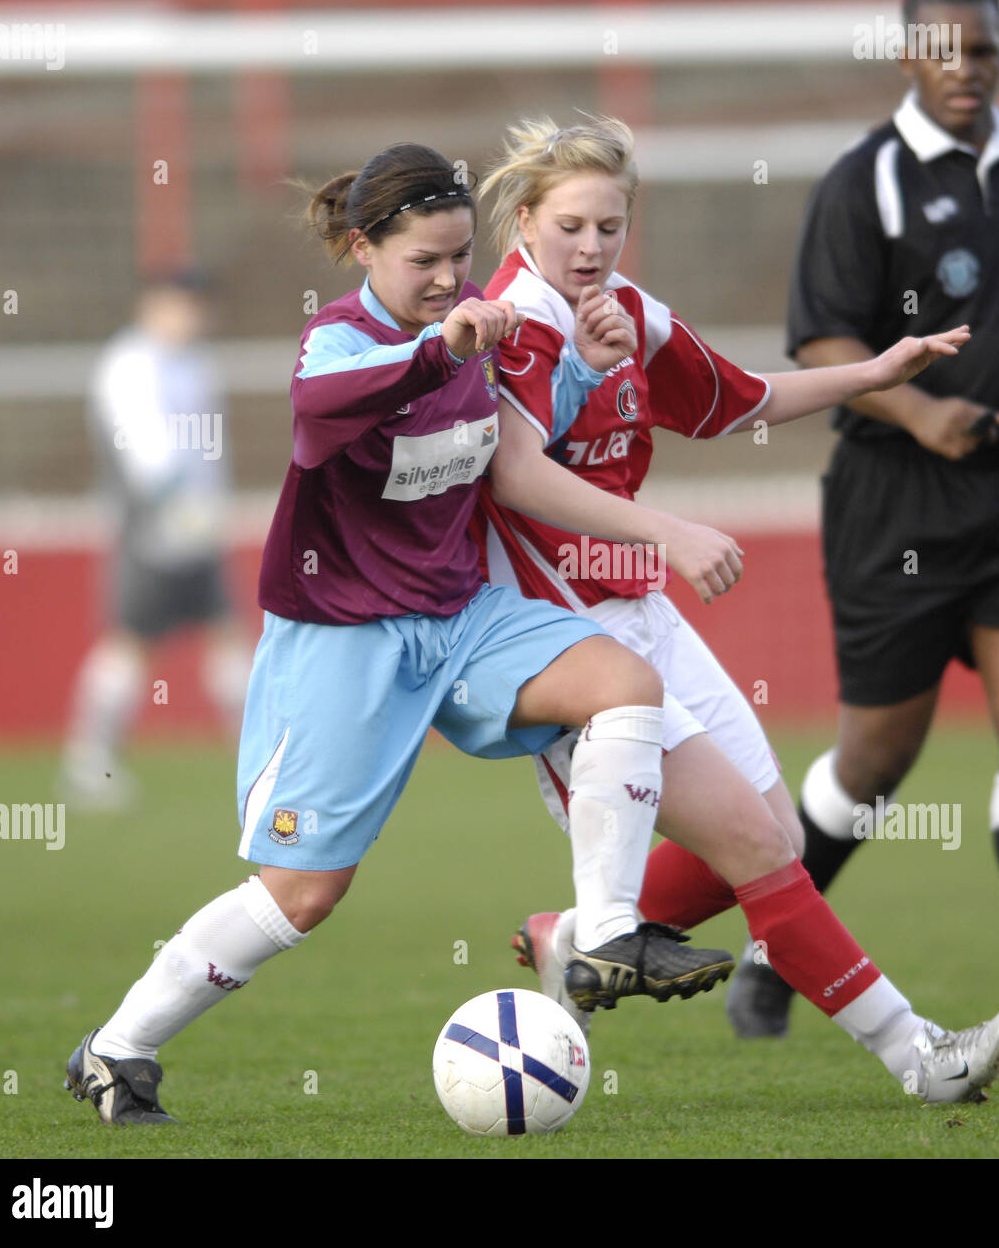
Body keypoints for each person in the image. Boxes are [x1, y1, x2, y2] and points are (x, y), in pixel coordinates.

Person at [63, 143, 738, 1126]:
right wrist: (442, 346)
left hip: (459, 615)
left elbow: (493, 448)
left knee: (624, 683)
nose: (444, 277)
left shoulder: (470, 335)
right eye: (422, 257)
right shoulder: (335, 341)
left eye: (458, 256)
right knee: (302, 895)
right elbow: (318, 406)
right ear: (361, 246)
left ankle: (603, 931)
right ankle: (118, 1048)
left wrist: (577, 378)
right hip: (346, 638)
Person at [473, 114, 999, 1105]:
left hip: (639, 611)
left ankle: (572, 934)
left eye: (611, 224)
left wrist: (873, 371)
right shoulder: (512, 322)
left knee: (776, 839)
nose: (593, 246)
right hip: (558, 639)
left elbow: (737, 400)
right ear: (523, 222)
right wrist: (667, 528)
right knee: (760, 845)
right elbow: (513, 478)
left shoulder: (627, 311)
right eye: (572, 226)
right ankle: (921, 1055)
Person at [726, 0, 999, 1040]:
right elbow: (820, 339)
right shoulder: (863, 182)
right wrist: (917, 413)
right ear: (907, 56)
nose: (968, 66)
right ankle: (775, 948)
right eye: (946, 49)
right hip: (895, 501)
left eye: (984, 48)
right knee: (875, 758)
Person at [62, 271, 251, 810]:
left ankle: (254, 757)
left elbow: (208, 450)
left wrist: (211, 509)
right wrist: (174, 504)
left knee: (225, 633)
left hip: (198, 527)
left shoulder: (193, 362)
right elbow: (144, 447)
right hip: (150, 531)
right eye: (181, 304)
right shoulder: (130, 364)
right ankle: (89, 763)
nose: (192, 315)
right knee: (131, 640)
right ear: (152, 306)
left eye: (198, 304)